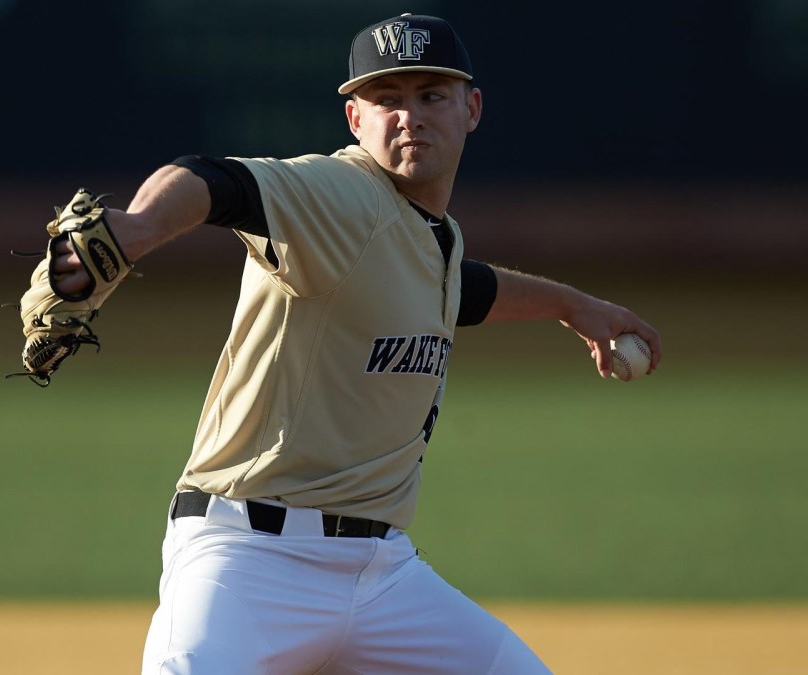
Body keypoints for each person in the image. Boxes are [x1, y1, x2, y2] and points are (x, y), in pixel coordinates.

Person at [43, 13, 661, 674]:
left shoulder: (431, 236)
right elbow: (216, 182)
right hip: (248, 563)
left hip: (383, 575)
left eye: (431, 96)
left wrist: (572, 305)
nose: (409, 116)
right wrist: (139, 226)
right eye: (387, 99)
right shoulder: (340, 195)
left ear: (471, 108)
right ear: (354, 120)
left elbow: (460, 289)